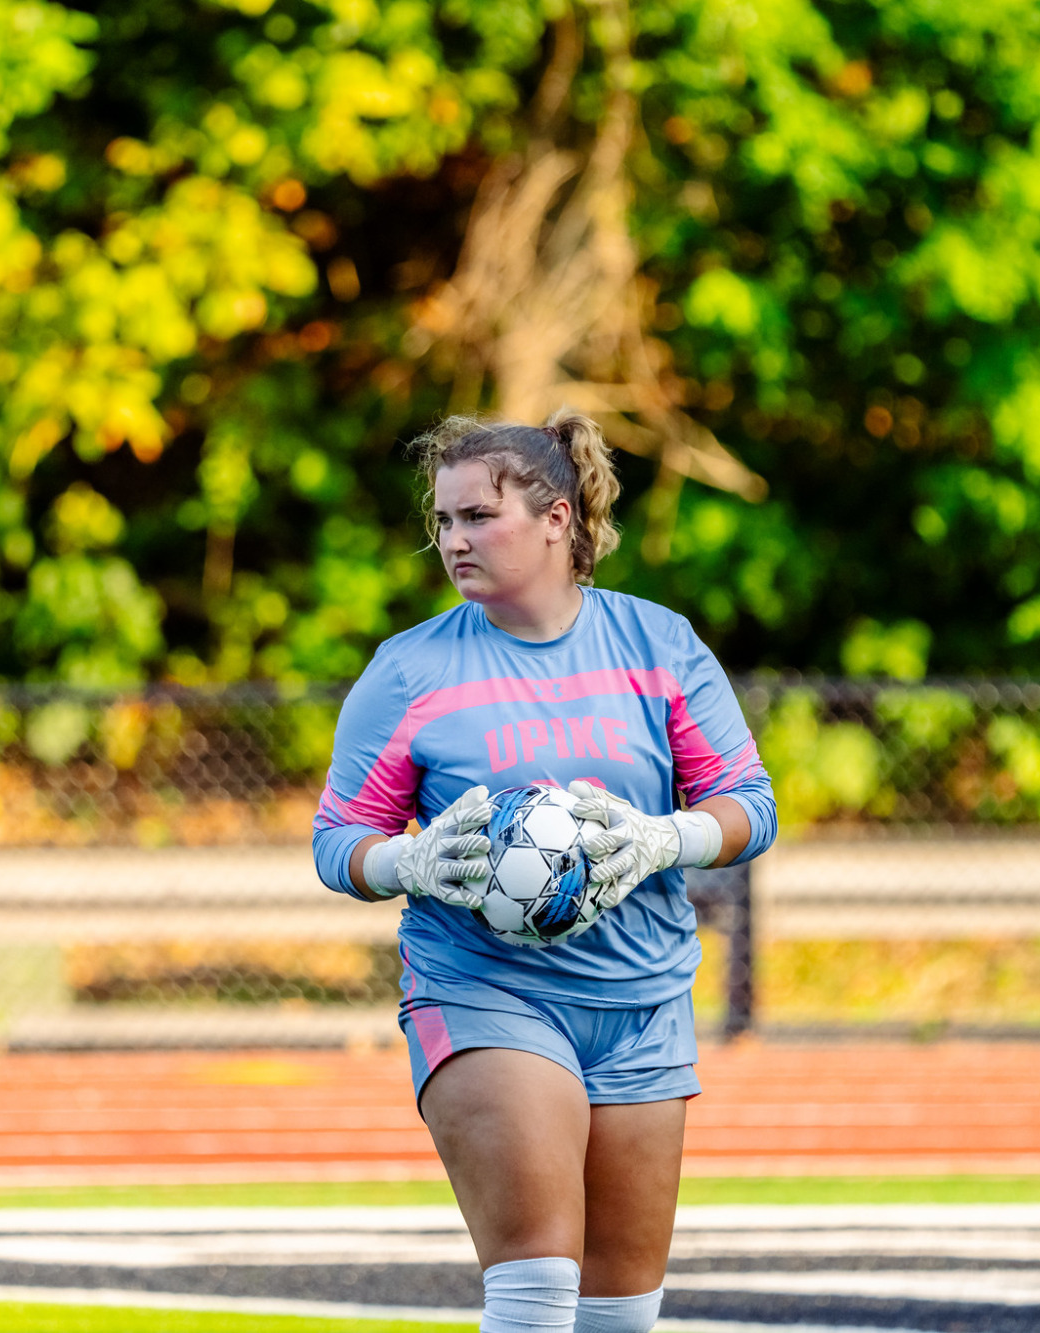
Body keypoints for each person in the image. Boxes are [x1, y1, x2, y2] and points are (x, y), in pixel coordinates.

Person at [311, 411, 778, 1333]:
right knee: (535, 1288)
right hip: (487, 992)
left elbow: (749, 804)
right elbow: (339, 838)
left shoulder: (660, 646)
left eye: (478, 516)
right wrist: (408, 860)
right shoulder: (409, 672)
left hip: (643, 1002)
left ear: (557, 517)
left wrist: (660, 839)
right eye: (442, 521)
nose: (453, 540)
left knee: (620, 1315)